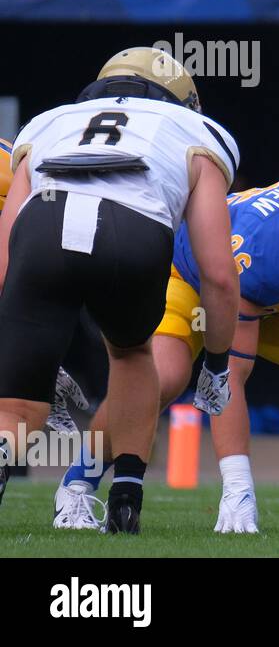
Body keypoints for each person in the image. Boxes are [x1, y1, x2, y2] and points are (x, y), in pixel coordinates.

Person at [52, 135, 279, 534]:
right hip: (193, 279)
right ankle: (78, 483)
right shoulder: (263, 247)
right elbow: (228, 377)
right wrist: (237, 484)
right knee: (161, 379)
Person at [0, 47, 240, 534]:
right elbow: (217, 271)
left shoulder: (48, 123)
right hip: (132, 232)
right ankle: (125, 499)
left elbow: (7, 257)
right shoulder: (198, 132)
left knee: (16, 408)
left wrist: (33, 350)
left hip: (42, 227)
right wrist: (215, 365)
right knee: (131, 355)